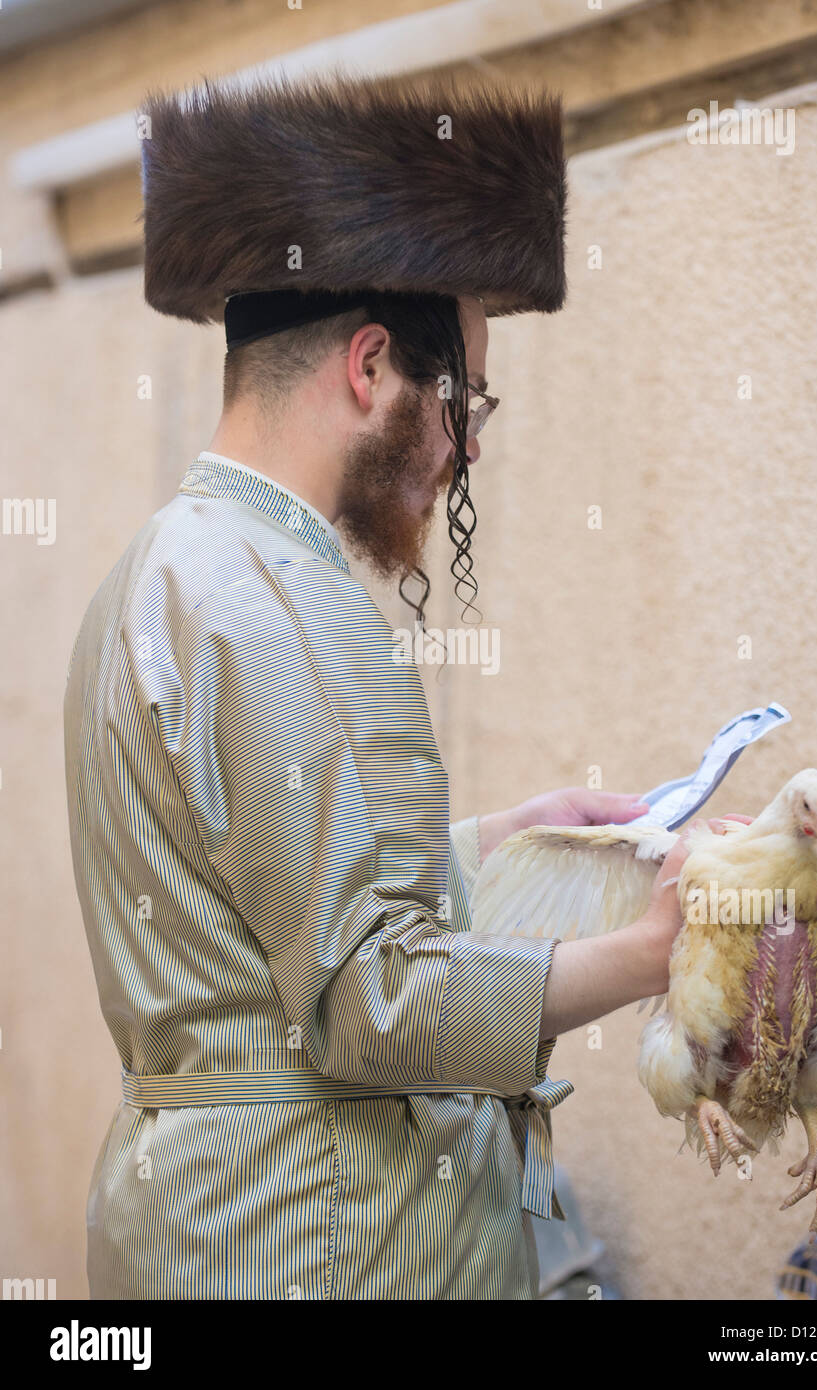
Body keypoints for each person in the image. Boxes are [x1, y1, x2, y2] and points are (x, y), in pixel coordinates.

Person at [63, 72, 715, 1300]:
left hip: (203, 1228)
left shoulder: (159, 568)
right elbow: (373, 1002)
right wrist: (647, 954)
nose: (469, 445)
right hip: (310, 1243)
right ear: (371, 367)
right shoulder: (273, 597)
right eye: (464, 394)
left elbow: (253, 907)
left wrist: (490, 844)